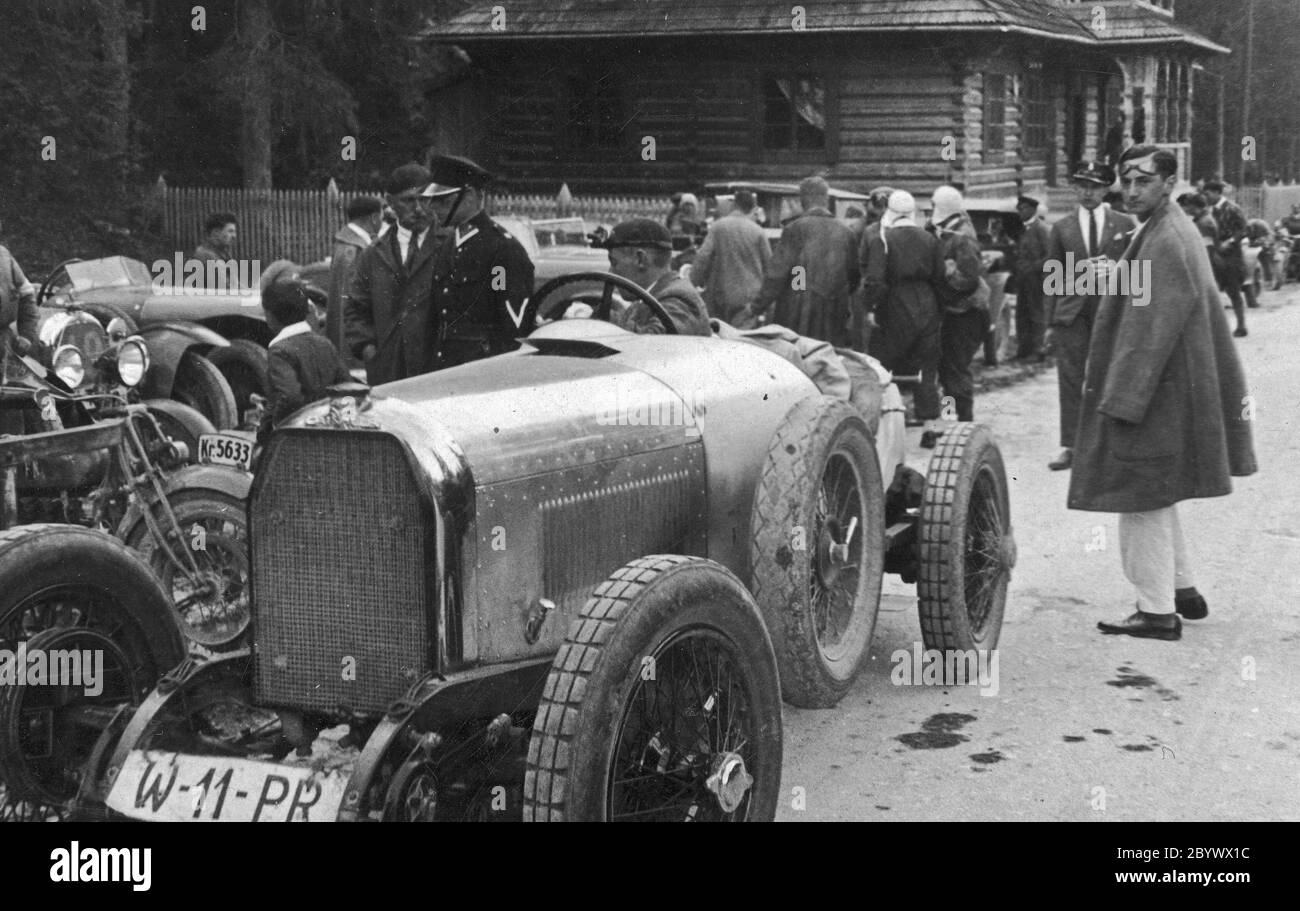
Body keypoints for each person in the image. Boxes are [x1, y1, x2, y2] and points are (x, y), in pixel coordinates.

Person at [1070, 146, 1256, 640]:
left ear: (1168, 183)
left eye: (1143, 181)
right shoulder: (1164, 227)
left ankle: (1155, 612)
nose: (1131, 190)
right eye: (1125, 181)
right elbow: (1150, 290)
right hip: (1171, 387)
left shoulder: (1166, 237)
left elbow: (1150, 329)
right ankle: (1182, 590)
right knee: (1159, 489)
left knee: (1140, 493)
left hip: (1156, 391)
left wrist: (1123, 399)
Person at [1044, 162, 1135, 471]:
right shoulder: (1062, 227)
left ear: (1106, 189)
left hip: (1111, 312)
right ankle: (1071, 445)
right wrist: (1049, 323)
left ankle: (1108, 443)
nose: (1087, 192)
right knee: (1070, 379)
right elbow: (1053, 277)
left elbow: (1139, 272)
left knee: (1110, 376)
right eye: (1081, 185)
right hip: (1072, 314)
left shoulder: (1124, 224)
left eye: (1094, 186)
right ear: (1074, 188)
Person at [422, 154, 535, 370]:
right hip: (444, 364)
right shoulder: (448, 244)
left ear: (471, 196)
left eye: (443, 200)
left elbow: (511, 324)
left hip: (481, 367)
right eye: (433, 200)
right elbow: (436, 317)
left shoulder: (501, 249)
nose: (434, 208)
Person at [344, 163, 437, 384]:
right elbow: (356, 310)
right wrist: (369, 350)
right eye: (409, 200)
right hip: (388, 372)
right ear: (390, 202)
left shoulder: (450, 244)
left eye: (425, 199)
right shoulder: (373, 254)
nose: (419, 209)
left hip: (436, 371)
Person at [860, 189, 943, 426]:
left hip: (895, 301)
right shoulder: (930, 239)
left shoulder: (883, 239)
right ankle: (931, 425)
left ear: (891, 212)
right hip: (926, 301)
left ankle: (887, 420)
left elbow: (875, 279)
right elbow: (939, 277)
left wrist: (871, 307)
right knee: (926, 365)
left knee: (884, 362)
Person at [750, 176, 860, 346]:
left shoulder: (795, 229)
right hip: (835, 312)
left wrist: (757, 306)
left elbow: (778, 274)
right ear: (826, 198)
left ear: (803, 199)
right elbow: (853, 277)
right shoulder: (846, 233)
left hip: (800, 313)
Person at [258, 278, 352, 443]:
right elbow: (346, 384)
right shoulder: (325, 343)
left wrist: (272, 428)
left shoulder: (279, 350)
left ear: (270, 316)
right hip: (329, 429)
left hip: (295, 437)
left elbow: (290, 396)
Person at [929, 185, 989, 433]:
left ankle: (964, 424)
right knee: (946, 369)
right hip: (956, 312)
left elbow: (968, 279)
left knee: (955, 368)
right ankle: (951, 419)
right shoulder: (949, 229)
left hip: (967, 314)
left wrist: (942, 291)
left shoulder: (962, 237)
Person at [598, 218, 710, 336]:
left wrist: (604, 318)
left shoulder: (679, 299)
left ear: (640, 259)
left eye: (614, 262)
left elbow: (655, 343)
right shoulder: (647, 298)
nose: (611, 272)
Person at [691, 189, 771, 325]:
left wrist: (692, 285)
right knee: (743, 342)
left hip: (721, 295)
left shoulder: (718, 227)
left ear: (734, 205)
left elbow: (703, 257)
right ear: (752, 208)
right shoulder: (758, 232)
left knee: (721, 339)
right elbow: (769, 266)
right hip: (749, 299)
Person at [326, 196, 383, 355]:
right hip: (356, 340)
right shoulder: (355, 249)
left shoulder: (346, 244)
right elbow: (354, 301)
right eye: (381, 217)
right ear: (374, 217)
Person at [1202, 178, 1254, 337]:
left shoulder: (1232, 208)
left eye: (1208, 193)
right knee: (1211, 288)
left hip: (1231, 253)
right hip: (1214, 252)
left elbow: (1244, 229)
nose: (1206, 197)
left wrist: (1230, 242)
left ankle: (1241, 325)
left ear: (1218, 192)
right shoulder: (1208, 211)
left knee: (1233, 289)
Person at [1013, 195, 1051, 361]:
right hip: (1024, 279)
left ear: (1033, 210)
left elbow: (1050, 255)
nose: (1020, 212)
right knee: (1022, 313)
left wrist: (1034, 268)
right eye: (1019, 209)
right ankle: (1023, 349)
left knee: (1036, 314)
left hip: (1037, 279)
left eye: (1024, 209)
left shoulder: (1041, 229)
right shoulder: (1024, 229)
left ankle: (1038, 350)